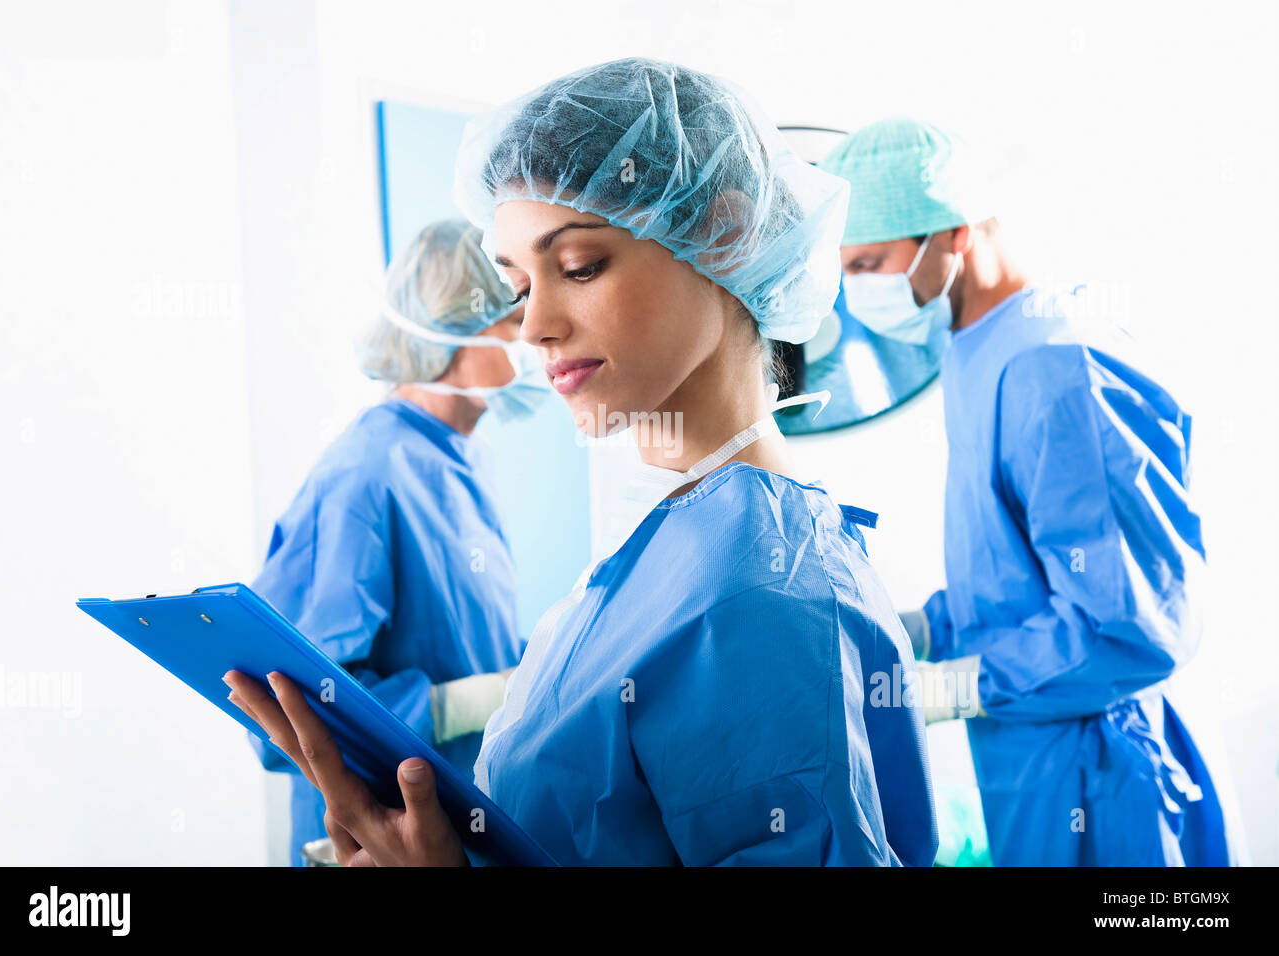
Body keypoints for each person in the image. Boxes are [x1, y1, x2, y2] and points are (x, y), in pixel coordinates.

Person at [227, 57, 938, 867]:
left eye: (578, 267)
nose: (532, 328)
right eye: (520, 285)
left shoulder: (760, 593)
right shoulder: (673, 541)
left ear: (726, 235)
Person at [819, 117, 1238, 866]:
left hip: (1105, 780)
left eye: (872, 262)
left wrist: (945, 691)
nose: (860, 292)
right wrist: (914, 630)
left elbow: (1128, 628)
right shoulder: (976, 351)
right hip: (1034, 768)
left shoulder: (1057, 366)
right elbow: (1014, 574)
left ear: (954, 233)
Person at [246, 219, 545, 866]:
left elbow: (461, 639)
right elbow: (283, 711)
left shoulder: (463, 460)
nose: (540, 335)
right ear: (455, 332)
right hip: (373, 842)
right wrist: (457, 704)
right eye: (518, 315)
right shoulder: (367, 471)